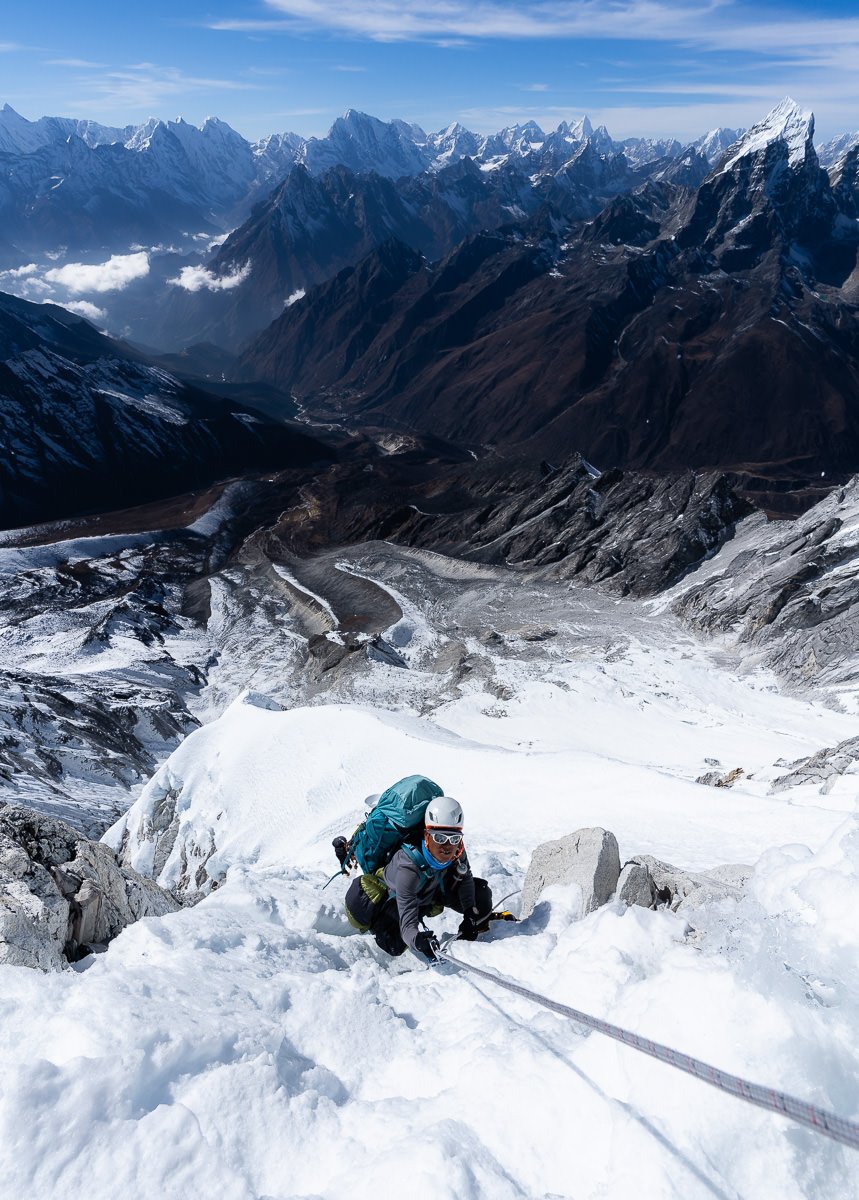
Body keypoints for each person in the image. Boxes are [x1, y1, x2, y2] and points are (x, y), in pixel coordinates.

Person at [344, 795, 493, 962]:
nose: (447, 846)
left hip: (430, 889)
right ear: (427, 835)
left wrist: (470, 913)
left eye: (454, 838)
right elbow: (408, 923)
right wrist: (418, 941)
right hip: (397, 897)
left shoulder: (457, 850)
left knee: (481, 897)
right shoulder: (408, 866)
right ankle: (381, 921)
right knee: (394, 944)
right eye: (440, 838)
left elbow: (465, 879)